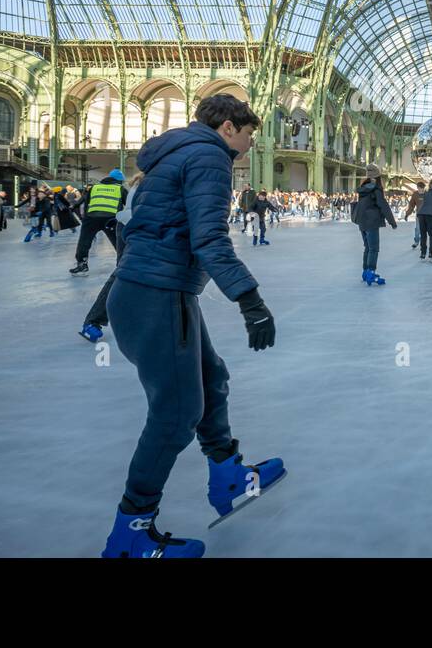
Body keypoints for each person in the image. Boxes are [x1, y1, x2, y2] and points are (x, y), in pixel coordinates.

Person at [101, 95, 283, 559]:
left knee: (211, 377)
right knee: (175, 413)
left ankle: (227, 476)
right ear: (227, 127)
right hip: (158, 295)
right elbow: (208, 238)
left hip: (153, 290)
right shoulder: (209, 157)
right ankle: (131, 534)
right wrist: (251, 300)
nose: (249, 143)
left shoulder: (176, 153)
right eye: (248, 133)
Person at [80, 172, 143, 343]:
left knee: (127, 274)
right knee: (124, 273)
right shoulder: (154, 179)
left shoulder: (147, 178)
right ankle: (94, 321)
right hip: (134, 228)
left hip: (124, 225)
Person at [70, 170, 126, 274]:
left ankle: (81, 264)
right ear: (120, 181)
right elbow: (128, 205)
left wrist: (86, 216)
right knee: (118, 242)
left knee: (84, 241)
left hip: (92, 218)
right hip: (111, 219)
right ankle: (124, 264)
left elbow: (86, 202)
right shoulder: (120, 188)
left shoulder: (94, 187)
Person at [352, 164, 396, 284]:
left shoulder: (363, 188)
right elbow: (383, 205)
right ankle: (371, 272)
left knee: (367, 247)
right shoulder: (376, 188)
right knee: (374, 249)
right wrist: (392, 221)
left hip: (362, 221)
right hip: (372, 222)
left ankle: (365, 272)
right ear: (378, 176)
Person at [404, 182, 426, 249]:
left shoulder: (427, 194)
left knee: (430, 228)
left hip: (428, 215)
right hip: (419, 215)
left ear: (424, 188)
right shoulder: (415, 194)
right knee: (418, 229)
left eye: (421, 189)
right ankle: (416, 241)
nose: (420, 190)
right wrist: (407, 214)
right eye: (419, 188)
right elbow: (411, 205)